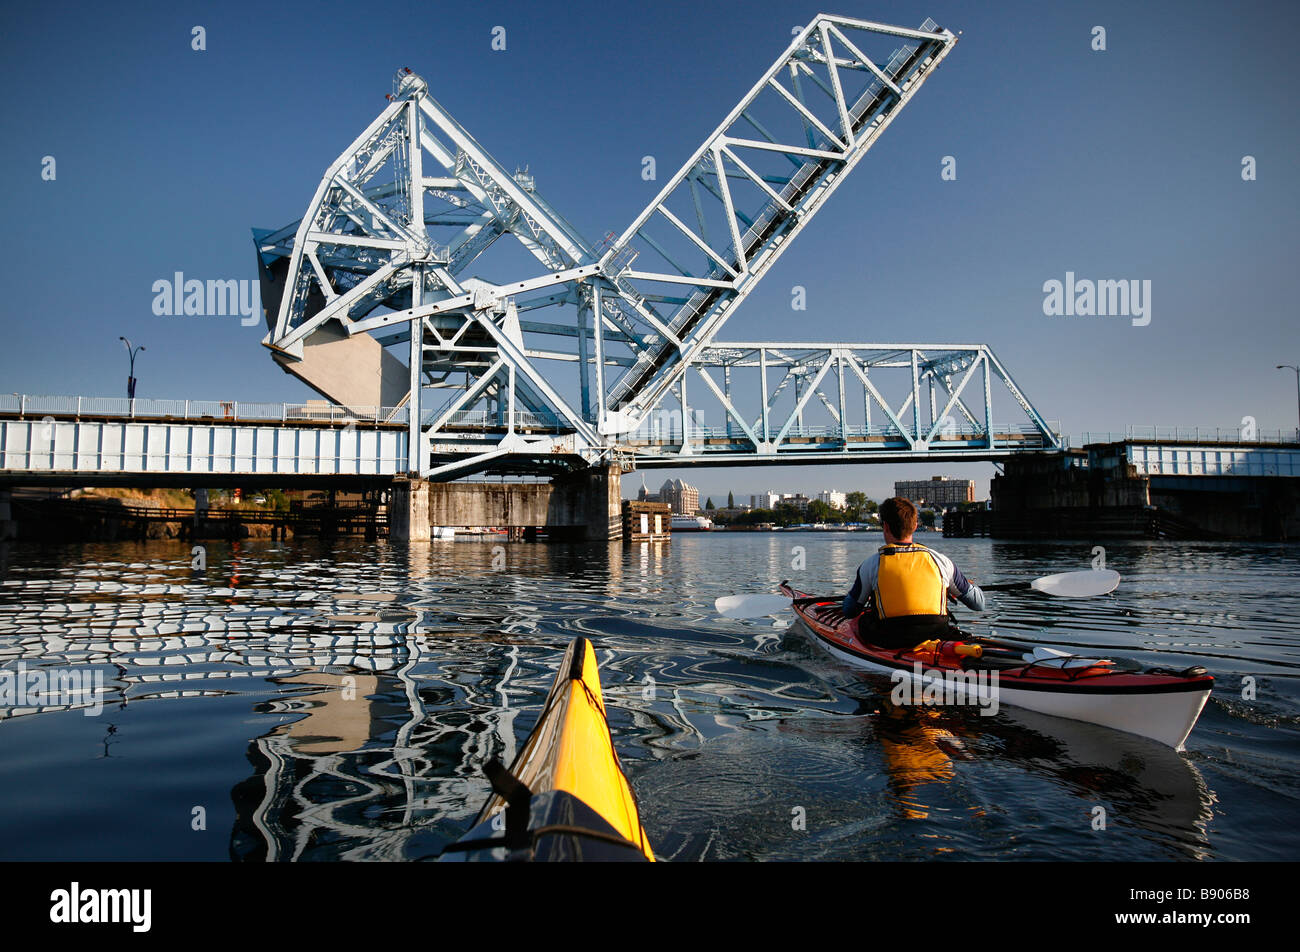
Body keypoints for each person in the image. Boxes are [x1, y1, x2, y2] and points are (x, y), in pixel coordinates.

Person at [842, 497, 985, 649]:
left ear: (885, 526)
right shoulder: (942, 561)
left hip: (889, 638)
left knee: (861, 620)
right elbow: (979, 604)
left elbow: (850, 611)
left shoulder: (871, 565)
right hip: (937, 635)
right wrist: (967, 585)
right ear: (915, 526)